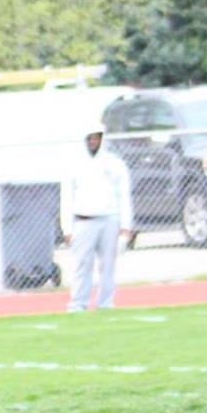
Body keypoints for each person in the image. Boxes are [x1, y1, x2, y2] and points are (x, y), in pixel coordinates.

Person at [67, 123, 134, 312]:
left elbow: (123, 195)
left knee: (108, 266)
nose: (93, 142)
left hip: (109, 220)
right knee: (82, 265)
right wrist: (67, 228)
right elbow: (67, 196)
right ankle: (78, 304)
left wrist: (126, 226)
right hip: (83, 221)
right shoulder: (74, 164)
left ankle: (105, 304)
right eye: (90, 138)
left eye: (96, 137)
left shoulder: (115, 163)